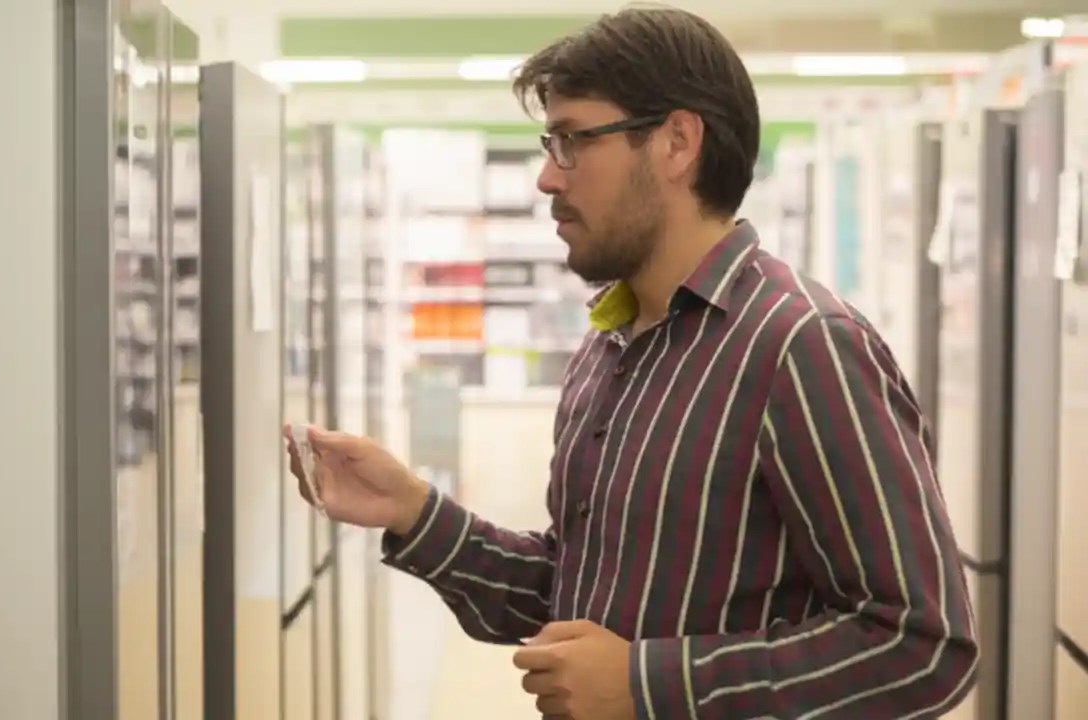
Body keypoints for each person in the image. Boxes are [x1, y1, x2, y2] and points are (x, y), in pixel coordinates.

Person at [284, 5, 979, 719]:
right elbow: (575, 592)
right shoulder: (608, 346)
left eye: (572, 141)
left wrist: (650, 684)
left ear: (677, 143)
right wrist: (412, 509)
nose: (547, 180)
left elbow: (924, 646)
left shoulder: (802, 344)